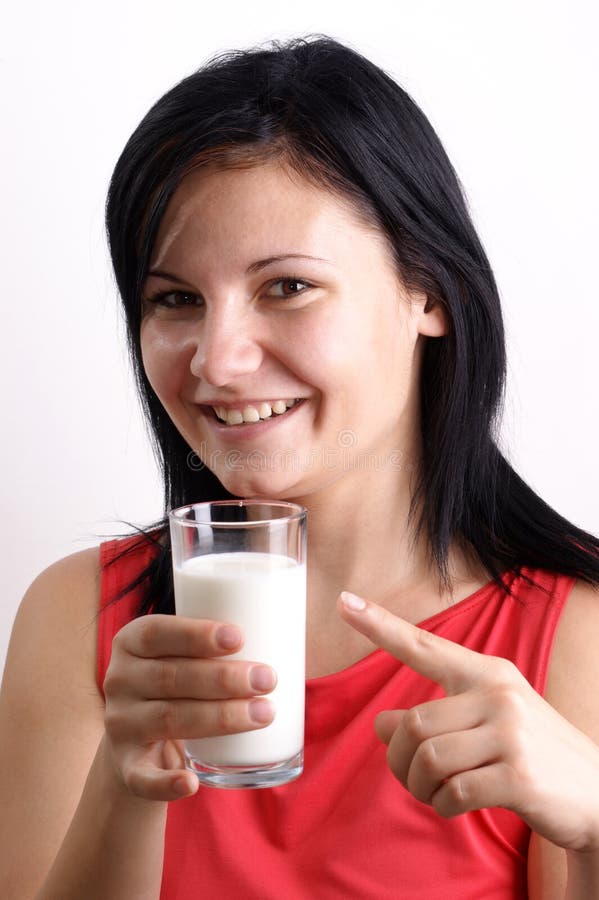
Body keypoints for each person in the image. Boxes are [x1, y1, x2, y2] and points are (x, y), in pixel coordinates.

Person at [1, 35, 598, 900]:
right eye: (176, 299)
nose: (218, 360)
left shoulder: (573, 637)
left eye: (286, 286)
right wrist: (125, 790)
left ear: (426, 291)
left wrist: (592, 823)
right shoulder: (82, 620)